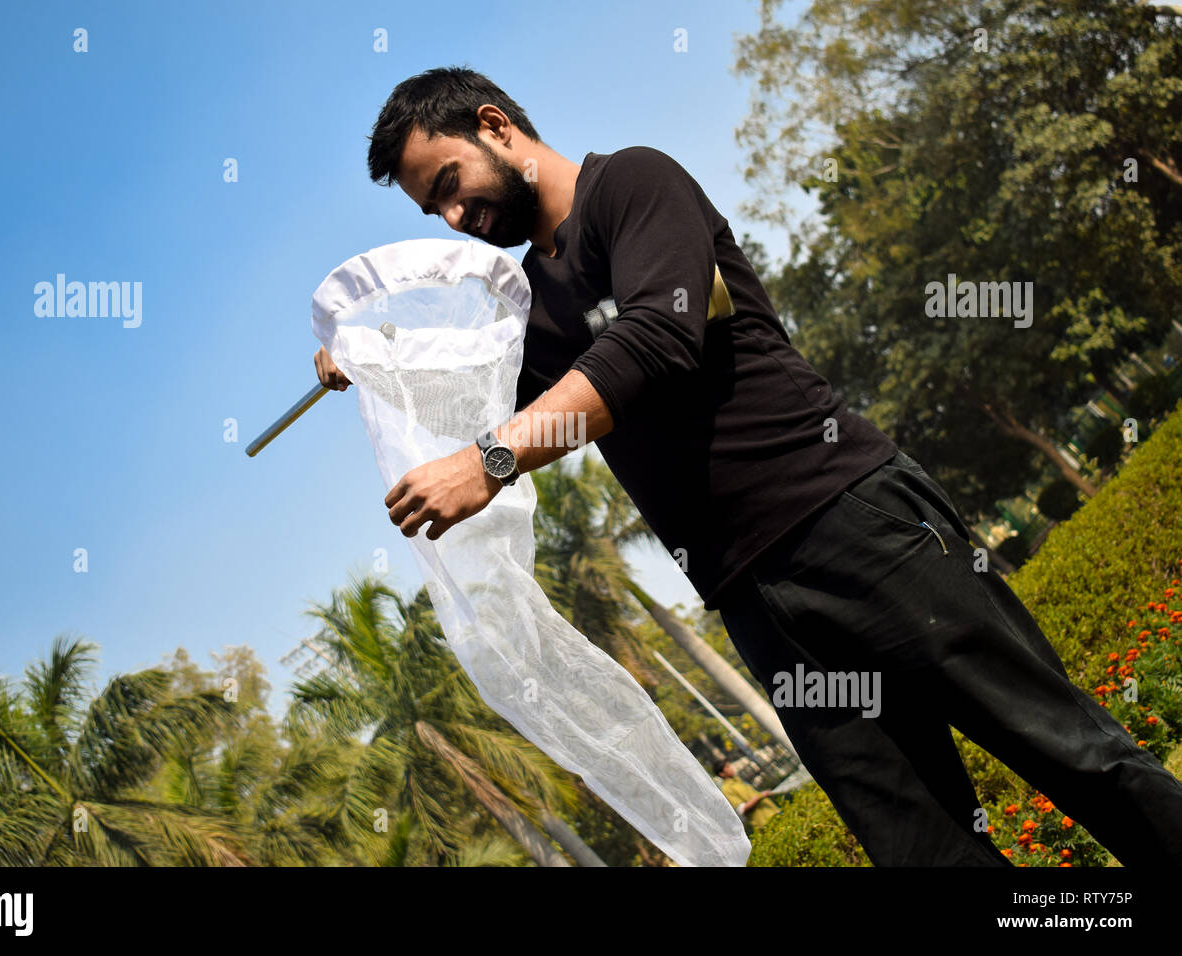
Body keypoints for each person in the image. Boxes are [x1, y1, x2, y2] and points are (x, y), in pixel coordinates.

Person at [314, 65, 1182, 866]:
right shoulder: (535, 307)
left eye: (449, 187)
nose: (456, 220)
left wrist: (492, 461)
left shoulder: (634, 186)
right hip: (753, 598)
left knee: (1074, 754)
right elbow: (495, 397)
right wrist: (376, 358)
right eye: (435, 213)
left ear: (494, 126)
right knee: (923, 849)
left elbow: (654, 338)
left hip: (851, 520)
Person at [712, 757, 780, 832]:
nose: (732, 768)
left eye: (730, 765)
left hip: (774, 812)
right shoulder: (727, 789)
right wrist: (760, 796)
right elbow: (742, 809)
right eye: (728, 767)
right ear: (721, 774)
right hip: (765, 823)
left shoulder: (738, 780)